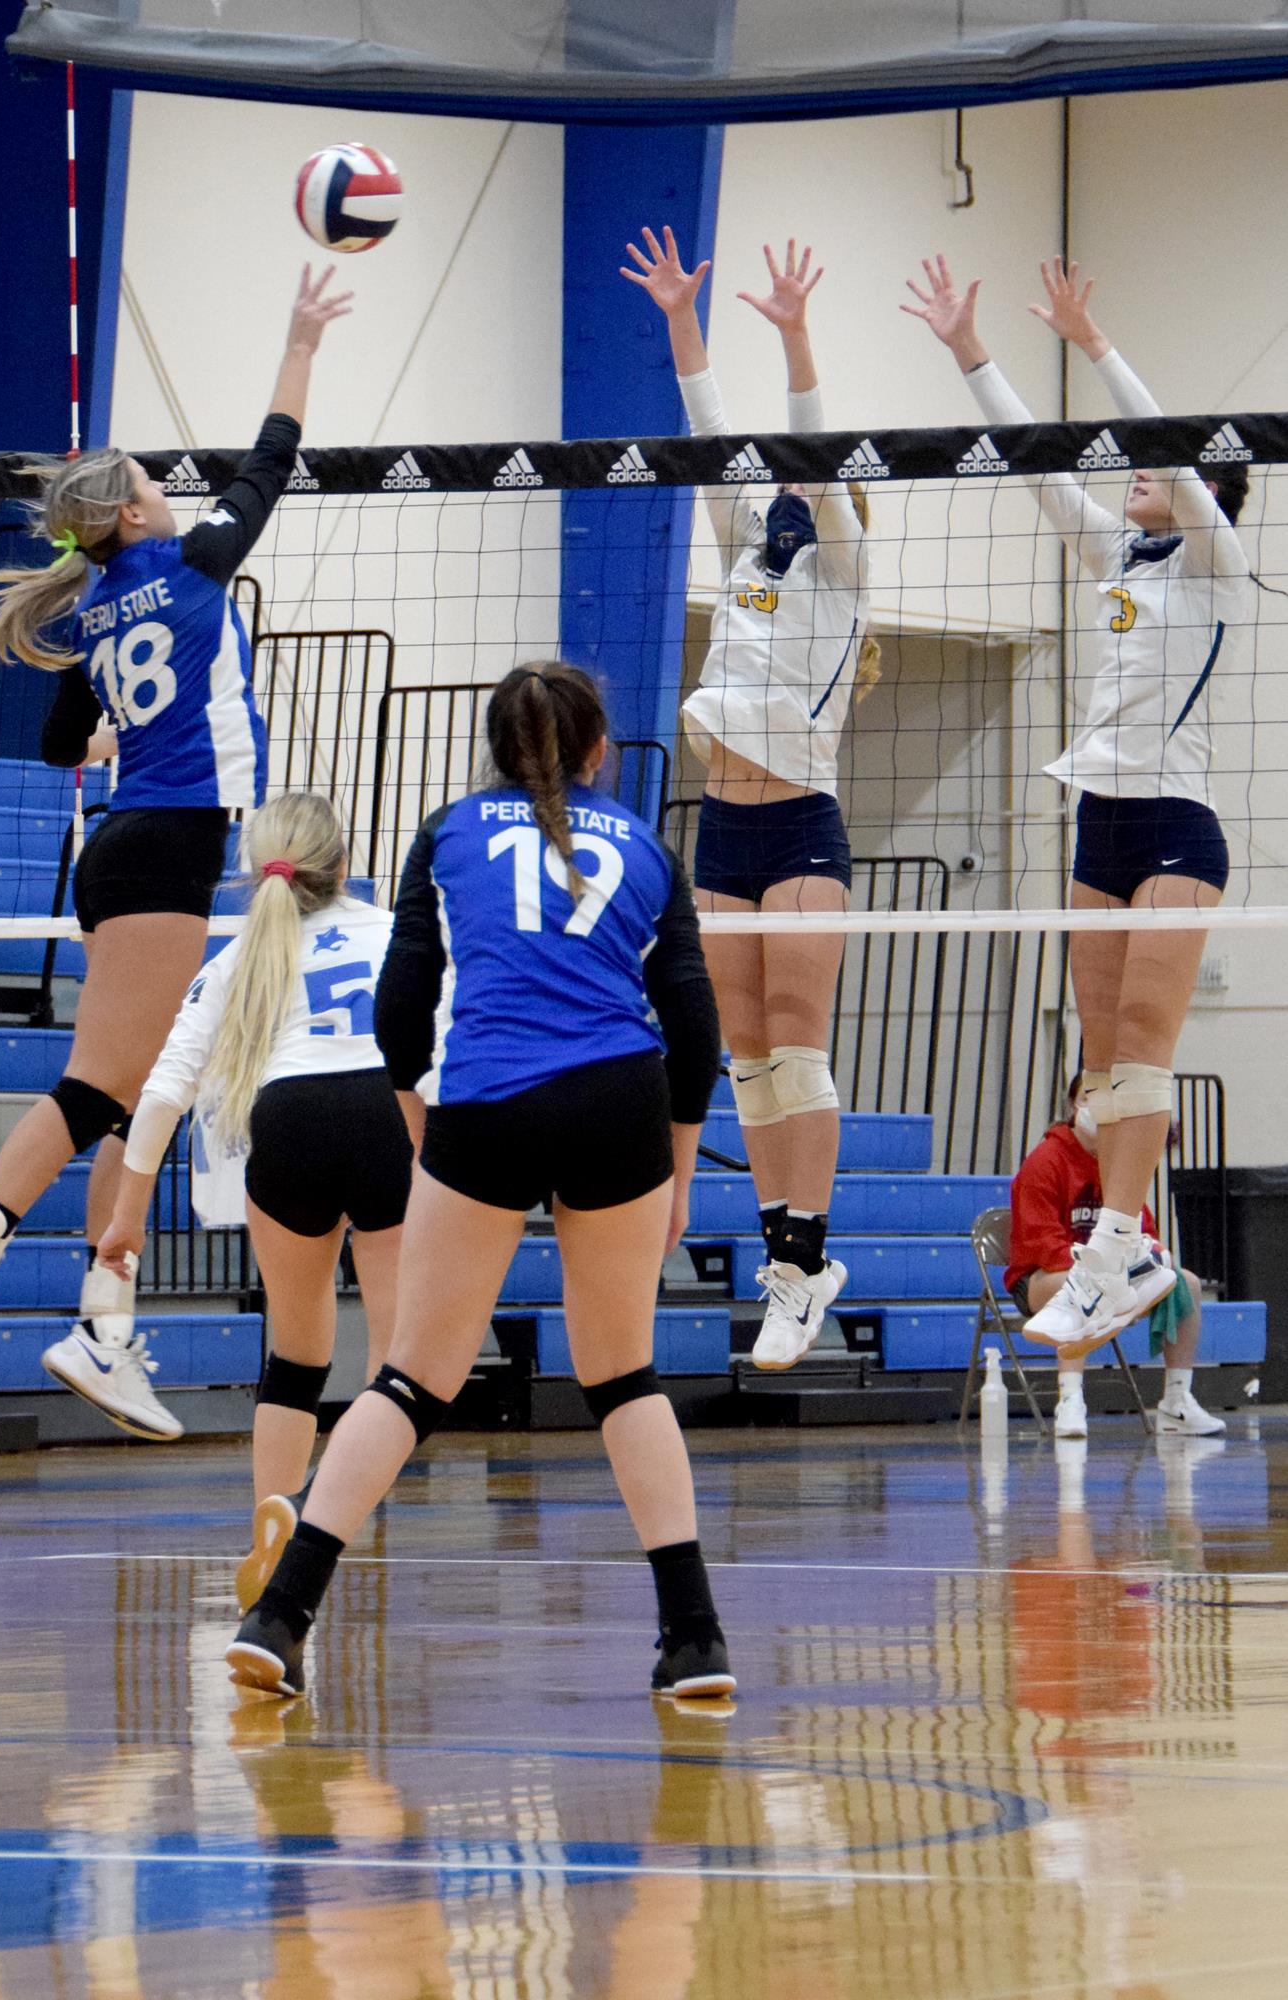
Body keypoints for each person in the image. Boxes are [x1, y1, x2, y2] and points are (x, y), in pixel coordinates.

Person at [0, 264, 352, 1439]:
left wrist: (108, 724)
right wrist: (299, 339)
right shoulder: (185, 569)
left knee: (142, 1087)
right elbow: (271, 460)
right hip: (157, 857)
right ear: (139, 514)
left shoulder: (90, 605)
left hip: (137, 849)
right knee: (99, 1086)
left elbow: (56, 744)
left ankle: (102, 1319)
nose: (165, 489)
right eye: (153, 481)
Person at [225, 661, 733, 1702]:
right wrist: (676, 1165)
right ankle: (693, 1640)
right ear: (599, 753)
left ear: (496, 749)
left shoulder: (448, 829)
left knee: (410, 1374)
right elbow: (692, 1026)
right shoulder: (645, 846)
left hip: (487, 1099)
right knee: (621, 1374)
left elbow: (400, 1004)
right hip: (616, 1101)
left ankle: (279, 1615)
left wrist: (421, 1121)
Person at [903, 254, 1251, 1358]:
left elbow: (1170, 453)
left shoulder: (1213, 563)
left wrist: (1095, 346)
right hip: (1094, 818)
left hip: (1173, 825)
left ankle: (1114, 1246)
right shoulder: (1115, 551)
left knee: (1143, 1052)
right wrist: (969, 351)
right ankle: (1124, 1249)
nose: (1138, 474)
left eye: (1161, 467)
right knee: (1100, 1068)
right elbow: (1030, 463)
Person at [621, 227, 877, 1369]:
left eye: (797, 470)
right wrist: (684, 321)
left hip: (801, 827)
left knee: (801, 1047)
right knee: (749, 1055)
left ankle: (811, 1243)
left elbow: (810, 454)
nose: (776, 474)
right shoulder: (744, 547)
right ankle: (788, 1262)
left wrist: (794, 334)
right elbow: (708, 435)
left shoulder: (842, 563)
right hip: (720, 824)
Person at [94, 790, 410, 1595]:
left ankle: (273, 1517)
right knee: (396, 1363)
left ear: (254, 872)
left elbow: (163, 1093)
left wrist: (126, 1221)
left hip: (289, 1120)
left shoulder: (234, 958)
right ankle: (324, 1527)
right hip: (384, 1113)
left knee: (296, 1355)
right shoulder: (397, 932)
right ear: (344, 868)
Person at [1006, 1073, 1225, 1438]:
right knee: (1077, 1287)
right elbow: (1041, 1244)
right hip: (1043, 1278)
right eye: (1089, 1098)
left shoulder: (1120, 1166)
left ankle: (1177, 1401)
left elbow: (1145, 1233)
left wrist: (1151, 1258)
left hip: (1112, 1278)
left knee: (1184, 1282)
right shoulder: (1045, 1161)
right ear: (1075, 1106)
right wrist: (1102, 1272)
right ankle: (1070, 1400)